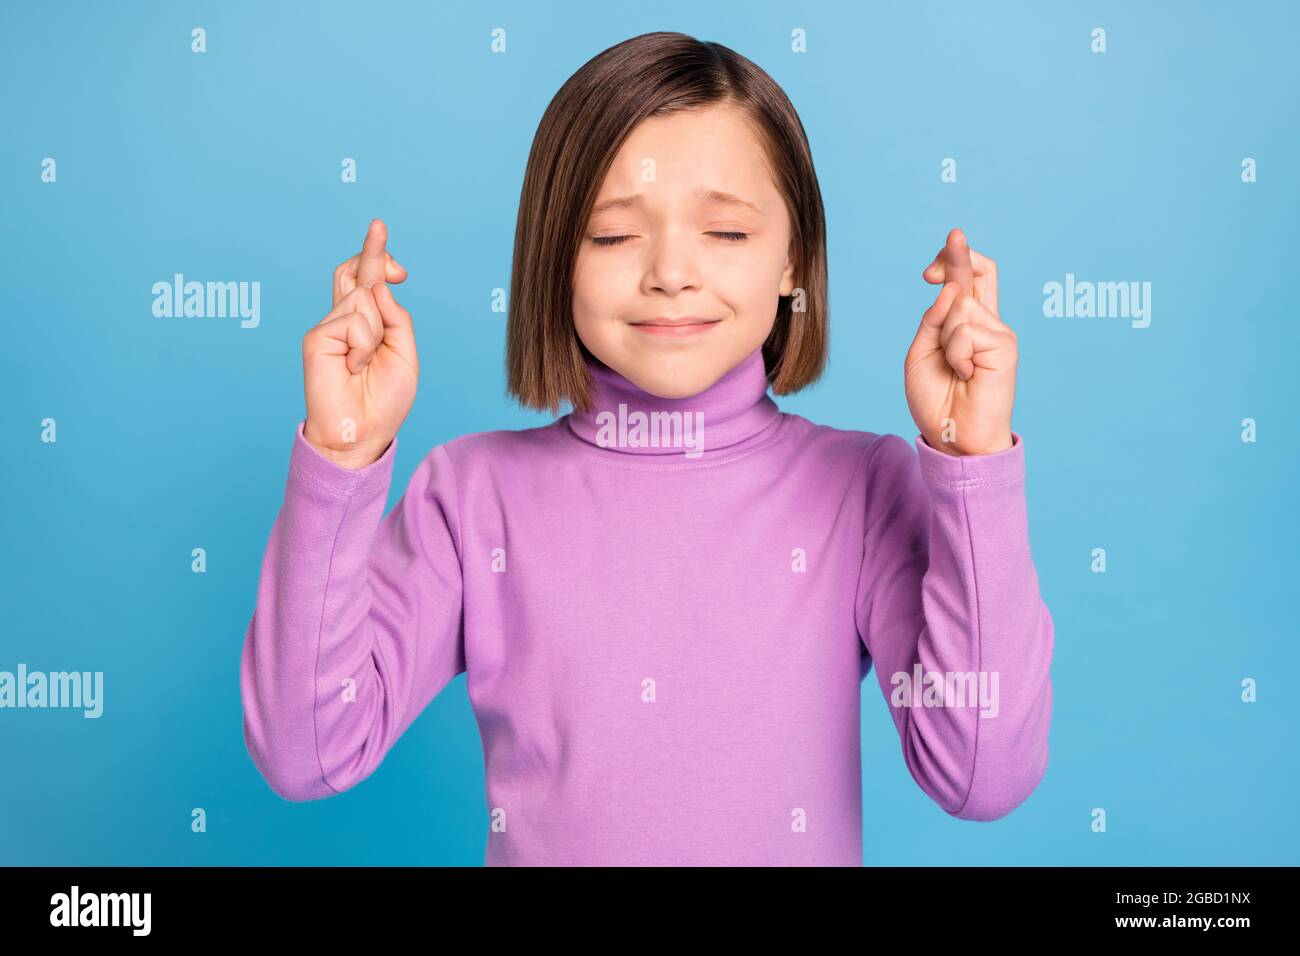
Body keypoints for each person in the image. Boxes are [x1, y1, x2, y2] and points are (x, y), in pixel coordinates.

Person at [240, 30, 1053, 866]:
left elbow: (982, 775)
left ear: (793, 260)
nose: (671, 273)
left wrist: (972, 460)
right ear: (554, 259)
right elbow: (307, 754)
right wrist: (342, 456)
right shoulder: (470, 494)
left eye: (727, 234)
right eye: (612, 235)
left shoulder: (863, 489)